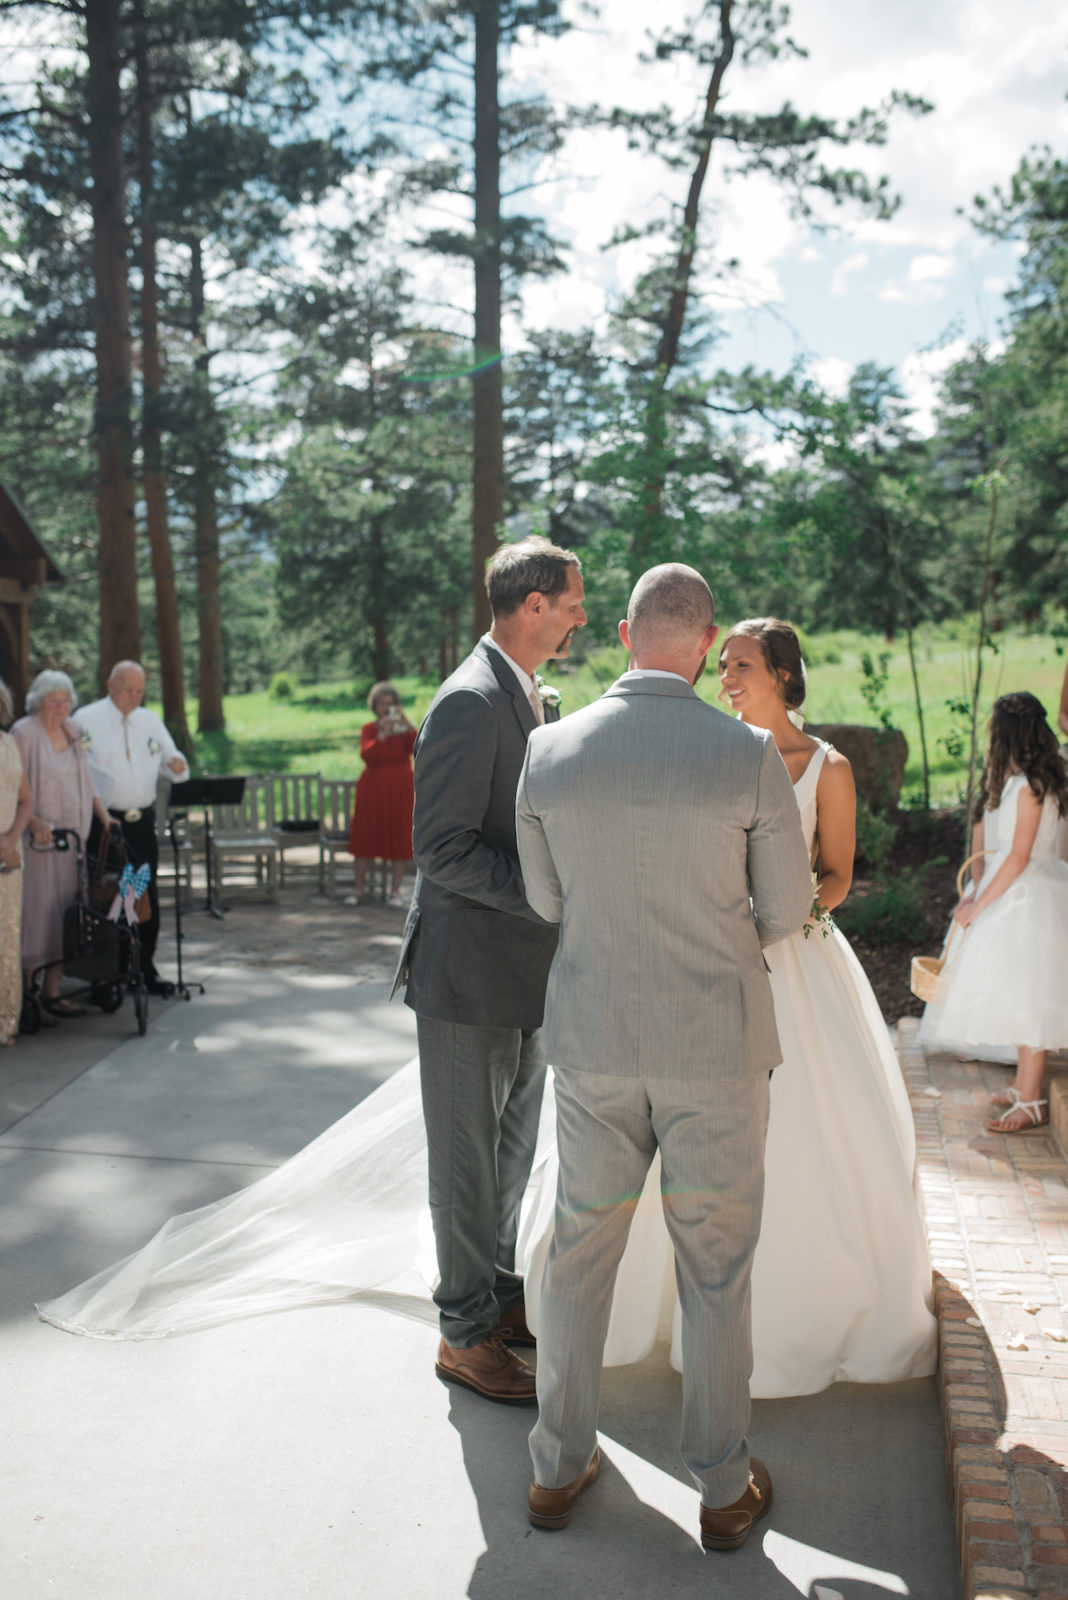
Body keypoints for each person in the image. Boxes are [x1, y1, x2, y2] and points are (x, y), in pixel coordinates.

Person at [515, 569, 812, 1546]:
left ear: (622, 633)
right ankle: (724, 1489)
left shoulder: (548, 750)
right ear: (705, 639)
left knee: (576, 1256)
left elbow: (549, 905)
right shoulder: (747, 755)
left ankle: (556, 1466)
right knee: (717, 1269)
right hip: (714, 1049)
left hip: (596, 1041)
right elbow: (784, 912)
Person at [393, 534, 586, 1405]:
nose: (584, 614)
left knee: (511, 1154)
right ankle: (463, 1337)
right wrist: (548, 893)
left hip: (524, 975)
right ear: (535, 604)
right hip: (469, 976)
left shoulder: (528, 694)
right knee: (467, 1165)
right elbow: (440, 849)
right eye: (574, 600)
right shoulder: (470, 701)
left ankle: (499, 1296)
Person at [919, 691, 1068, 1133]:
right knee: (1025, 999)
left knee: (1030, 1002)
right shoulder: (1044, 782)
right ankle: (1025, 1089)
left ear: (1006, 735)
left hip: (1026, 896)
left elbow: (1018, 857)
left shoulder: (1027, 789)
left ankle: (1030, 1101)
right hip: (1030, 889)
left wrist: (979, 905)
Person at [73, 661, 188, 998]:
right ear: (111, 685)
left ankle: (143, 968)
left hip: (142, 824)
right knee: (108, 897)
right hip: (105, 825)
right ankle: (105, 975)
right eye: (128, 689)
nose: (134, 697)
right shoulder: (86, 720)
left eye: (140, 691)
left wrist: (178, 763)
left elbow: (172, 757)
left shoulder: (149, 720)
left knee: (144, 896)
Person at [13, 670, 111, 1019]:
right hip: (39, 842)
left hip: (74, 841)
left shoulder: (75, 733)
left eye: (66, 700)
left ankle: (53, 993)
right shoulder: (24, 734)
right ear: (38, 701)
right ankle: (28, 992)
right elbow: (12, 787)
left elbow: (89, 781)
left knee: (67, 914)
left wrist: (104, 817)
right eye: (53, 700)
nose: (60, 707)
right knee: (38, 914)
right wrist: (35, 821)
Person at [344, 683, 417, 907]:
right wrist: (384, 733)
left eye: (391, 704)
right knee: (365, 837)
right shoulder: (369, 729)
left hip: (400, 789)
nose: (387, 708)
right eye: (383, 704)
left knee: (400, 837)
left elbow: (418, 749)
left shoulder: (404, 730)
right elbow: (367, 755)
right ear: (374, 707)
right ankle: (358, 890)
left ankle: (394, 891)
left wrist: (408, 725)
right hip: (373, 790)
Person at [0, 678, 33, 1044]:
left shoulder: (9, 745)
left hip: (10, 855)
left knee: (7, 936)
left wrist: (10, 839)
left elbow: (26, 800)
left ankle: (5, 1020)